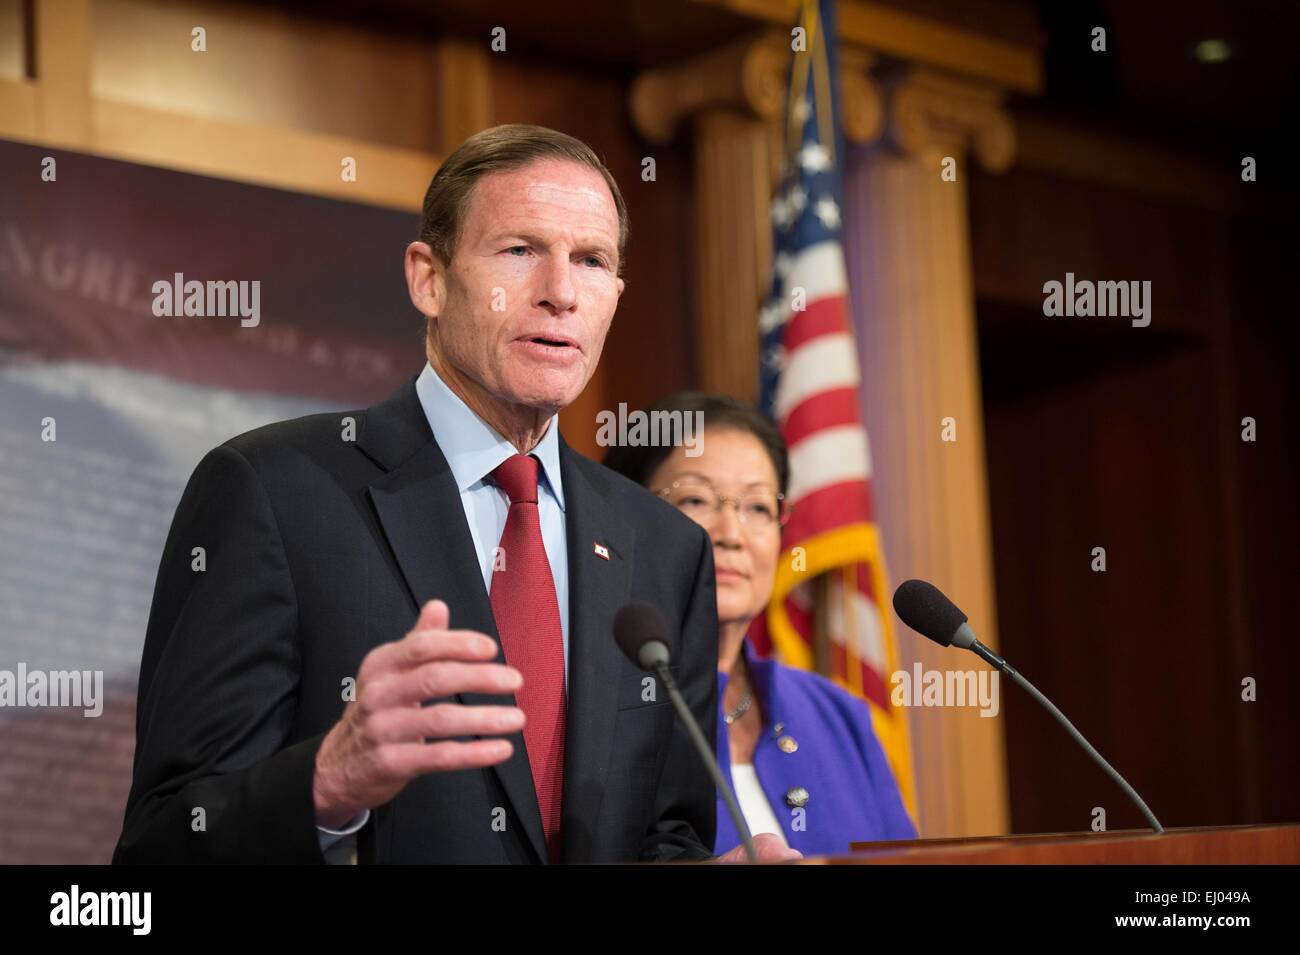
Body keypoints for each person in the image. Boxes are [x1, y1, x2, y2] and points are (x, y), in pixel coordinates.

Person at [113, 124, 788, 864]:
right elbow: (162, 843)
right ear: (428, 279)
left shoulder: (662, 545)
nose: (561, 292)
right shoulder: (274, 492)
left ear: (615, 296)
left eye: (591, 260)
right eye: (520, 251)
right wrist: (328, 782)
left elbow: (665, 835)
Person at [605, 393, 917, 856]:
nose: (731, 534)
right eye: (695, 499)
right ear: (626, 519)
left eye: (757, 508)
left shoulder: (838, 715)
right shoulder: (599, 714)